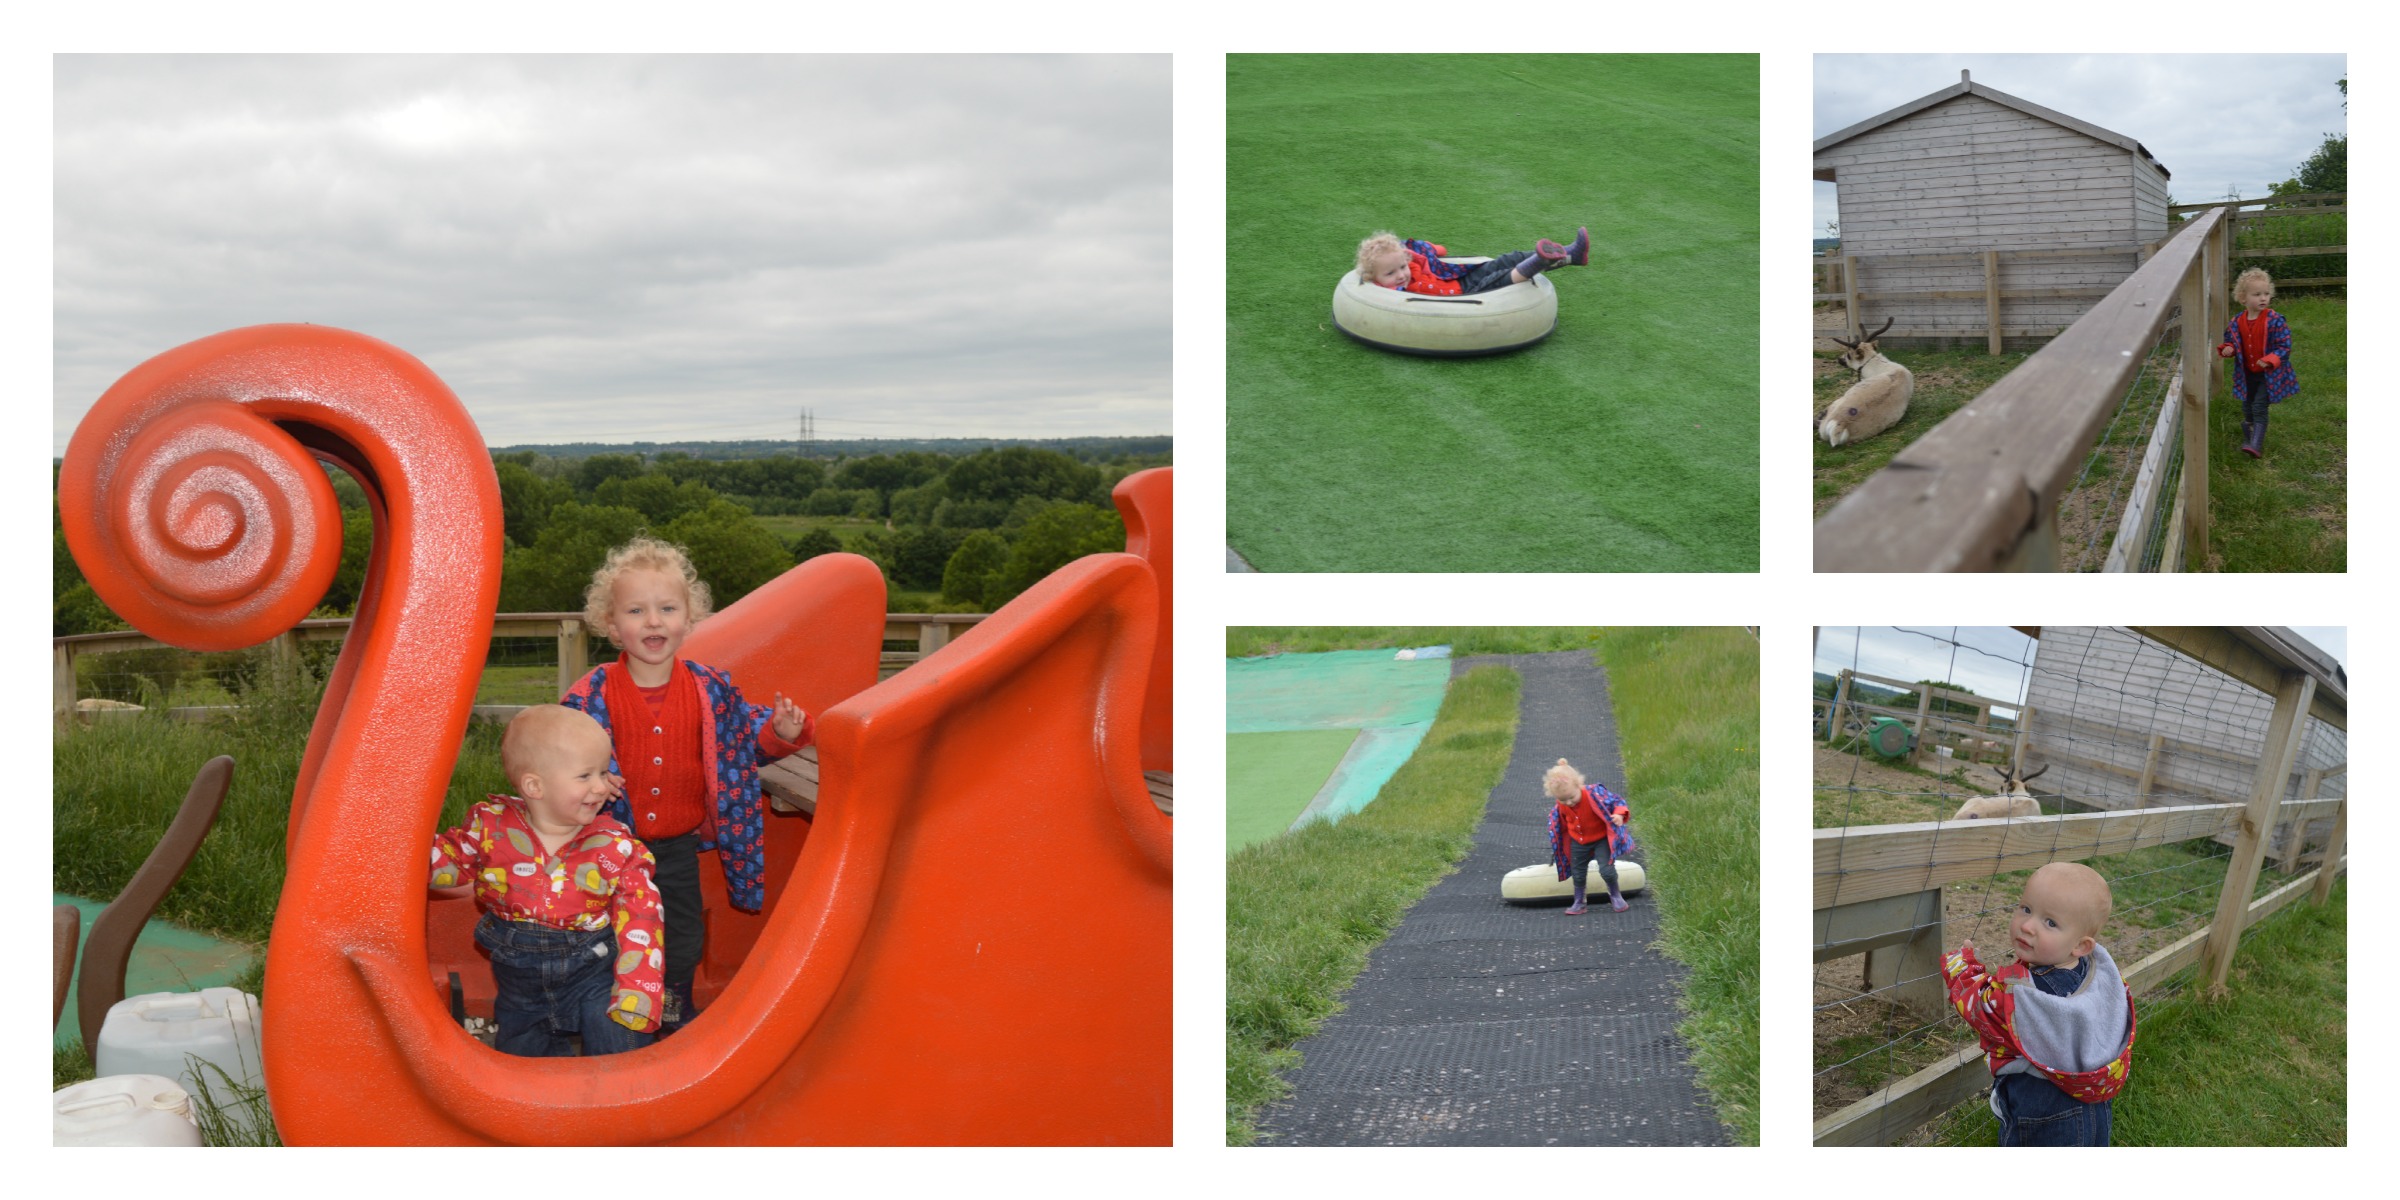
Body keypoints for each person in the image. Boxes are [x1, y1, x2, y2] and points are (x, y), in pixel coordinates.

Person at [563, 537, 811, 1034]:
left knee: (681, 933)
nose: (653, 621)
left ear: (688, 618)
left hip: (675, 847)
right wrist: (588, 776)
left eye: (667, 608)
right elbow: (560, 754)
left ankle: (672, 1004)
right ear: (612, 626)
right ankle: (608, 1011)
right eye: (636, 610)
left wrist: (783, 733)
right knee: (607, 930)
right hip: (607, 845)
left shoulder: (710, 688)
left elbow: (744, 738)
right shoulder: (590, 694)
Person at [429, 705, 664, 1056]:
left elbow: (642, 916)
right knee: (522, 1060)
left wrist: (638, 990)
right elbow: (447, 869)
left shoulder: (615, 846)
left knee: (618, 1035)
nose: (602, 786)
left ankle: (619, 1101)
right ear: (534, 786)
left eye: (603, 772)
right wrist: (402, 846)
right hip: (520, 986)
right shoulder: (492, 829)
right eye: (585, 776)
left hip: (593, 973)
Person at [1941, 862, 2135, 1146]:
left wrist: (1962, 967)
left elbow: (1982, 1007)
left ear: (2080, 946)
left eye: (2050, 923)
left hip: (2044, 1110)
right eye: (2026, 909)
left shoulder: (2030, 994)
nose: (2028, 926)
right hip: (2092, 1103)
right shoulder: (2094, 971)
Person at [1355, 225, 1589, 296]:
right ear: (1373, 278)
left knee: (1507, 259)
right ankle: (1539, 262)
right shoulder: (1390, 294)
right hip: (1464, 294)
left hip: (1460, 277)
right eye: (1390, 273)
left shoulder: (1409, 263)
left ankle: (1571, 253)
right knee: (1501, 278)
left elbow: (1417, 250)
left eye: (1402, 267)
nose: (1401, 275)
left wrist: (1434, 249)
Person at [2216, 267, 2300, 459]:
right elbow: (2232, 339)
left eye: (2266, 294)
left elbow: (2284, 346)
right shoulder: (2237, 322)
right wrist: (2228, 348)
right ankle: (2250, 436)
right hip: (2247, 374)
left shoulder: (2275, 320)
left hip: (2269, 375)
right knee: (2247, 406)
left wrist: (2270, 359)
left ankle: (2255, 445)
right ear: (2242, 298)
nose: (2263, 298)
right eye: (2257, 294)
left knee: (2259, 406)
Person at [1542, 757, 1637, 915]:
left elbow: (1617, 801)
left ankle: (1615, 895)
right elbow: (1561, 825)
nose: (1569, 803)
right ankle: (1579, 901)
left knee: (1606, 870)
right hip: (1578, 842)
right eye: (1562, 800)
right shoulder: (1561, 805)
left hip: (1600, 839)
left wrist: (1619, 815)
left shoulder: (1594, 794)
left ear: (1579, 785)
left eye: (1572, 797)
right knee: (1577, 873)